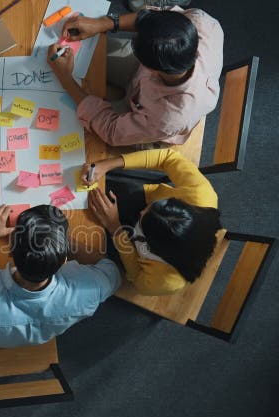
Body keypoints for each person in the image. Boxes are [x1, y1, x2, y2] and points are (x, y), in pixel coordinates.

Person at [0, 205, 121, 348]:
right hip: (37, 334)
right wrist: (54, 241)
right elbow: (111, 270)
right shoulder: (89, 290)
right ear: (65, 259)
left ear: (10, 250)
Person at [47, 6, 223, 147]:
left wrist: (66, 79)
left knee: (72, 118)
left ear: (151, 68)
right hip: (144, 76)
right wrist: (103, 23)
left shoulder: (168, 117)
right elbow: (148, 18)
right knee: (89, 56)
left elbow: (111, 130)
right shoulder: (202, 22)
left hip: (149, 123)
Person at [84, 149, 221, 296]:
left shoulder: (163, 282)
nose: (142, 212)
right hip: (144, 199)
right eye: (155, 205)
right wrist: (107, 164)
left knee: (86, 237)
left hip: (128, 246)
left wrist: (115, 228)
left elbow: (136, 275)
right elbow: (168, 158)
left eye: (141, 224)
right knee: (95, 191)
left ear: (151, 247)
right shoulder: (201, 195)